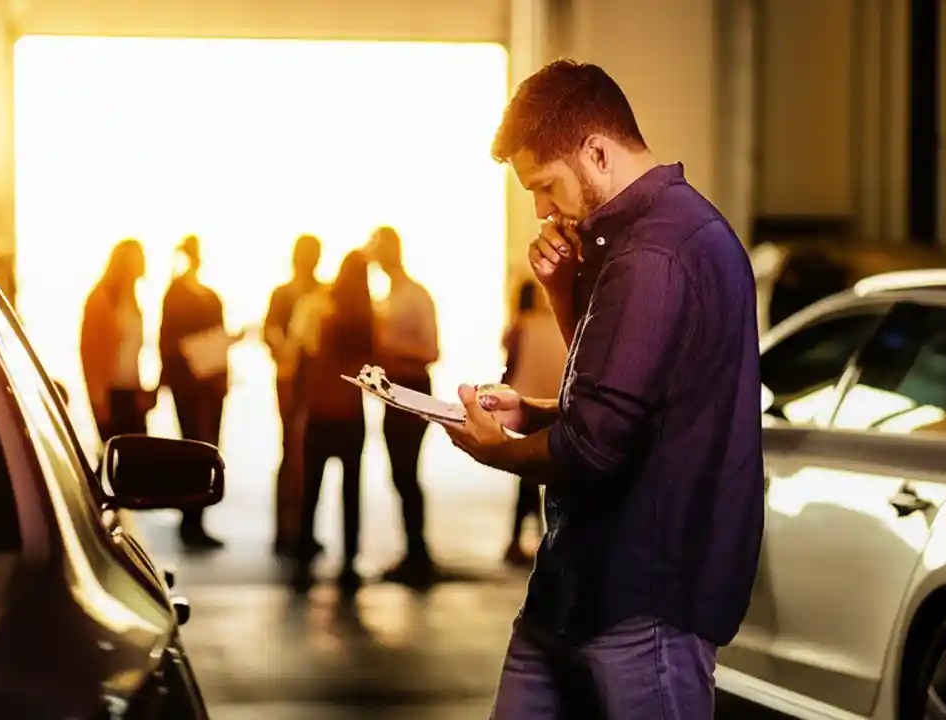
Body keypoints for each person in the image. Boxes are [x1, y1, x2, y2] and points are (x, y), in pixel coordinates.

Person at [438, 61, 764, 718]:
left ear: (596, 151)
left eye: (546, 185)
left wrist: (492, 448)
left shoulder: (657, 250)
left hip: (643, 606)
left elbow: (593, 448)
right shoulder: (641, 238)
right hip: (576, 589)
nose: (541, 207)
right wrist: (532, 405)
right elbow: (628, 397)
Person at [289, 250, 373, 591]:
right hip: (352, 414)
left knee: (312, 487)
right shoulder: (368, 319)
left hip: (321, 413)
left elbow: (303, 363)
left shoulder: (319, 311)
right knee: (351, 489)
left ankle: (302, 557)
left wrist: (297, 409)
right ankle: (350, 561)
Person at [368, 226, 440, 585]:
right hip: (393, 392)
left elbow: (431, 350)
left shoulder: (414, 296)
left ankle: (418, 552)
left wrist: (392, 352)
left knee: (407, 472)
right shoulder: (388, 297)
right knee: (400, 473)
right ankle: (414, 549)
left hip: (411, 388)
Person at [159, 235, 229, 550]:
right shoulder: (184, 294)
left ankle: (195, 518)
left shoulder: (198, 295)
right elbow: (168, 342)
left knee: (202, 450)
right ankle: (191, 520)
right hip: (193, 386)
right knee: (195, 450)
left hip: (206, 385)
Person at [263, 234, 323, 558]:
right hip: (290, 378)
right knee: (291, 449)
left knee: (307, 453)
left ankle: (302, 527)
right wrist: (284, 349)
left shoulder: (321, 293)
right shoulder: (284, 294)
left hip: (313, 382)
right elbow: (268, 330)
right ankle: (286, 528)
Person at [498, 279, 564, 566]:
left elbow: (511, 365)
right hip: (557, 401)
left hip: (527, 404)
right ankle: (542, 536)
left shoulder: (520, 326)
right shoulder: (557, 324)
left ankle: (525, 539)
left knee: (527, 473)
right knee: (546, 472)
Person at [80, 239, 152, 445]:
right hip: (112, 395)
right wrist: (99, 402)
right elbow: (90, 353)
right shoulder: (102, 299)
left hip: (131, 392)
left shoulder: (133, 300)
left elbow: (132, 353)